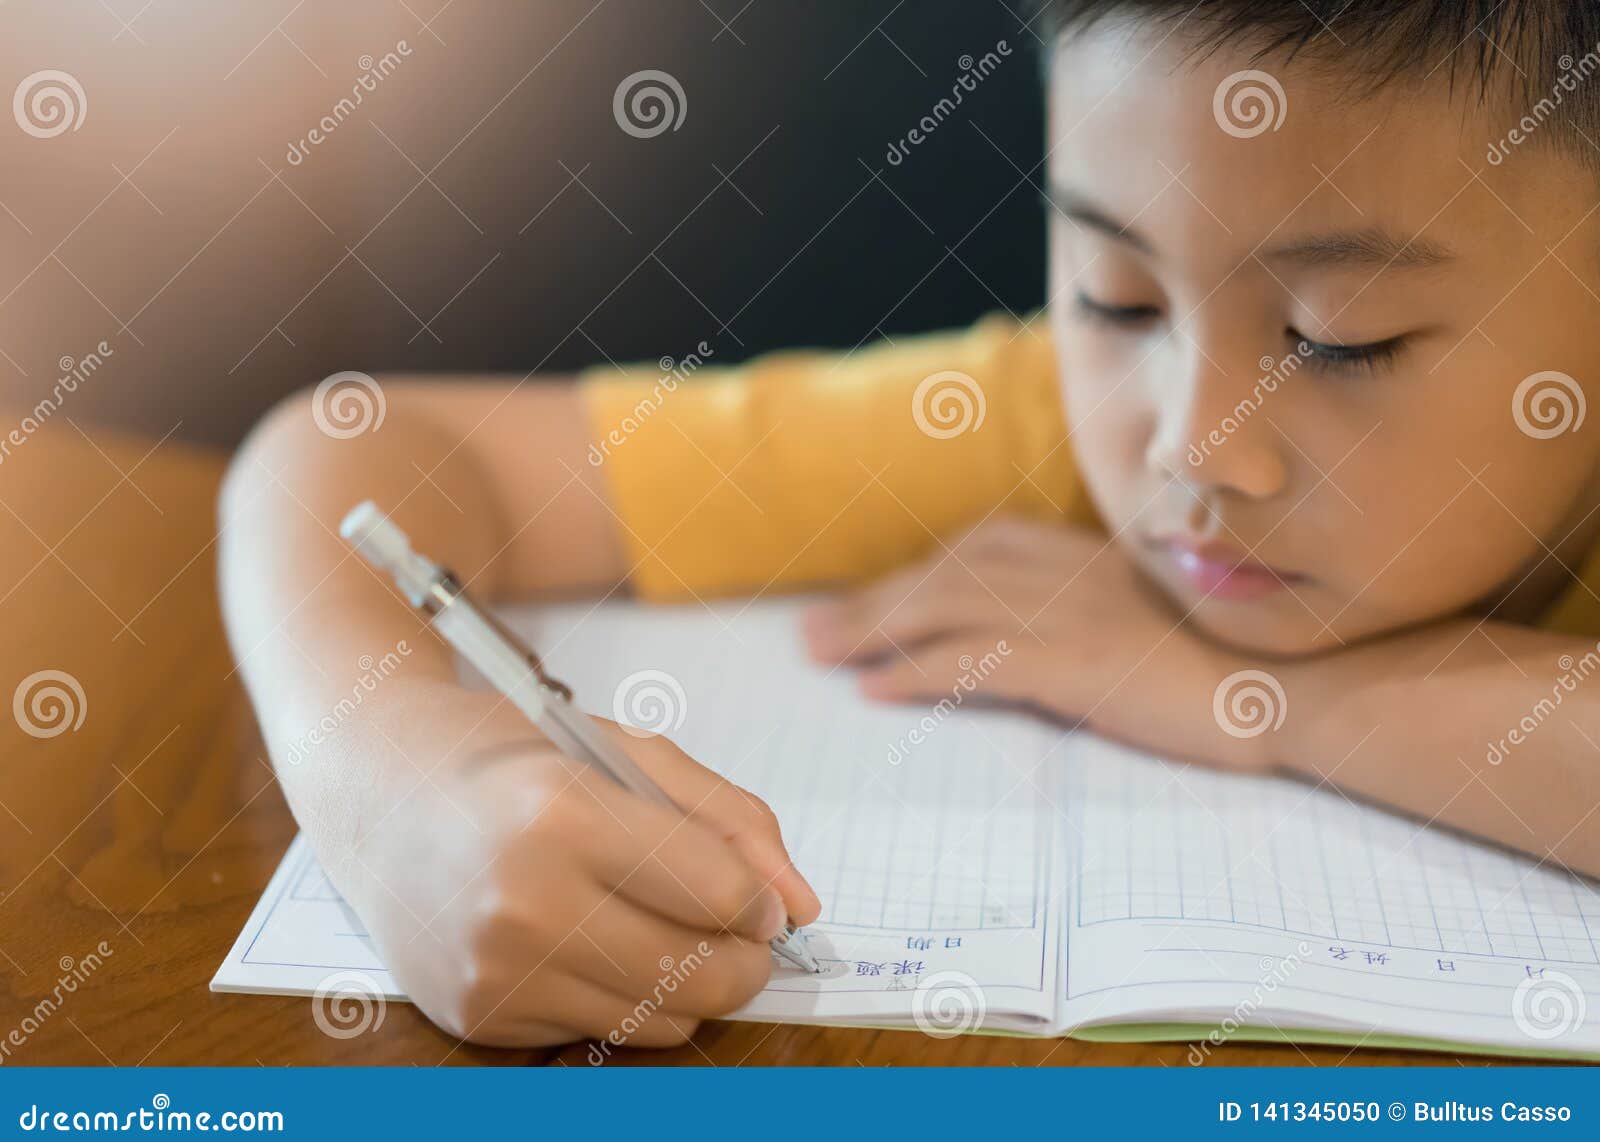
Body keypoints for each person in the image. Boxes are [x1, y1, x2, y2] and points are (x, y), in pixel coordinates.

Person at [220, 0, 1600, 1047]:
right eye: (1117, 293)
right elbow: (354, 452)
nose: (1191, 445)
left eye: (1335, 338)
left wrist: (1253, 695)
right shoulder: (1038, 424)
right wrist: (395, 783)